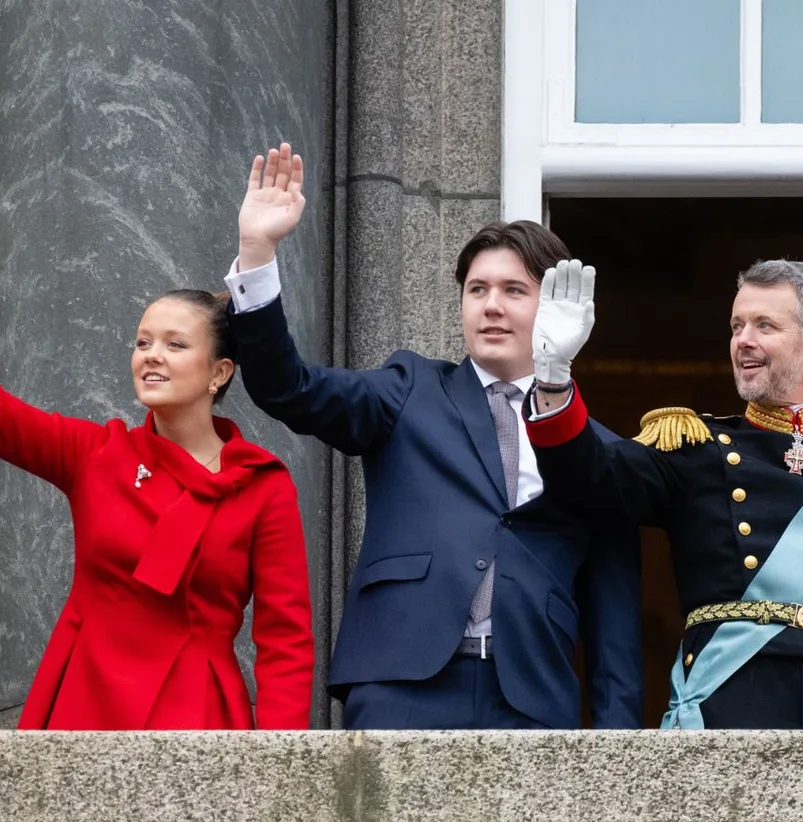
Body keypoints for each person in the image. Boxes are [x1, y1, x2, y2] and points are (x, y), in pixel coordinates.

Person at [223, 144, 642, 730]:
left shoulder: (603, 451)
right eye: (477, 290)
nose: (491, 306)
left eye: (514, 291)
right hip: (400, 682)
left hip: (531, 698)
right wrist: (258, 253)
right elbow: (288, 388)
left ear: (556, 308)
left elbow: (614, 621)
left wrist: (616, 755)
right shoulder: (410, 388)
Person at [0, 191, 314, 729]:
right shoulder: (96, 454)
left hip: (197, 713)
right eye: (142, 342)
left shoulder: (262, 485)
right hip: (86, 697)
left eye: (175, 345)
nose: (151, 355)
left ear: (219, 373)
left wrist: (280, 773)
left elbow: (285, 640)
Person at [522, 258, 803, 729]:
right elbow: (588, 479)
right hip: (727, 707)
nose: (744, 341)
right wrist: (553, 378)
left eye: (764, 325)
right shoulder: (694, 446)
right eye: (737, 326)